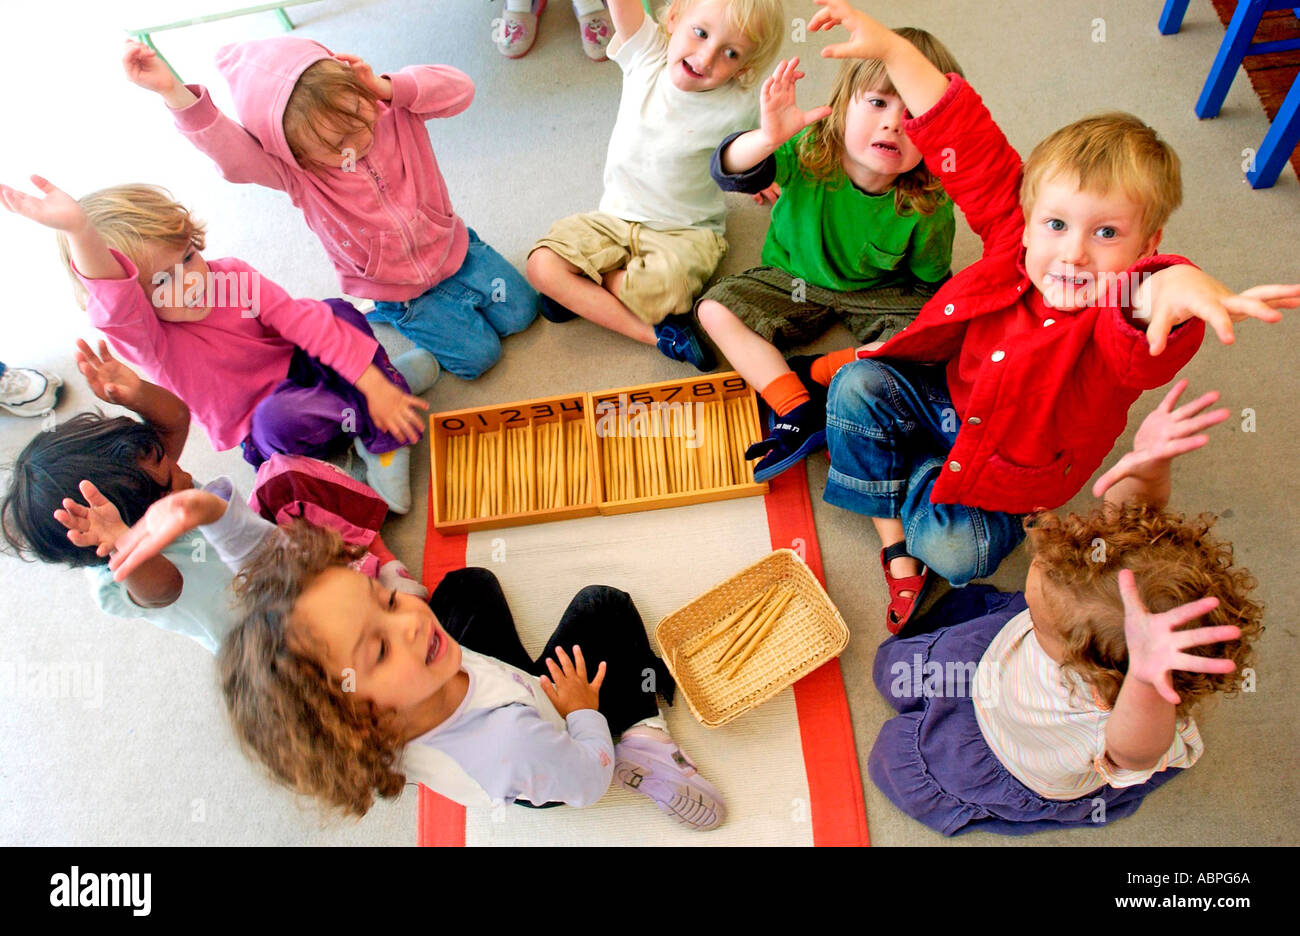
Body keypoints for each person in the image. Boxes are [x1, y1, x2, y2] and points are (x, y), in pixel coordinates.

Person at [803, 0, 1298, 632]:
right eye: (1057, 224)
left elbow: (1146, 315)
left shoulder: (1119, 309)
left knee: (957, 551)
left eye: (1108, 233)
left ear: (1147, 244)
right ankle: (893, 528)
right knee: (857, 385)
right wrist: (898, 55)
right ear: (1028, 218)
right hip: (945, 398)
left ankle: (912, 497)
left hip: (1009, 476)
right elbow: (969, 145)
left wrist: (1175, 286)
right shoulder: (1016, 234)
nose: (1073, 252)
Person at [107, 521, 729, 828]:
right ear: (358, 714)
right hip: (554, 740)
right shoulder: (512, 741)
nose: (408, 619)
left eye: (384, 599)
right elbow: (585, 785)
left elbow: (274, 573)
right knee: (605, 606)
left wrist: (216, 512)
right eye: (377, 649)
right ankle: (644, 743)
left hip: (473, 693)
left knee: (466, 587)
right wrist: (583, 717)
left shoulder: (373, 718)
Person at [868, 380, 1262, 835]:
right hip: (1000, 661)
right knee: (900, 665)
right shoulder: (1099, 595)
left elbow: (1135, 752)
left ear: (1100, 681)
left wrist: (1146, 685)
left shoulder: (1119, 712)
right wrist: (1151, 466)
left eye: (1038, 615)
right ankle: (1009, 639)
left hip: (1013, 748)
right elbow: (1127, 521)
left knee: (894, 761)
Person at [0, 179, 435, 512]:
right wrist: (78, 228)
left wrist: (365, 377)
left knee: (333, 311)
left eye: (188, 257)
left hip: (302, 367)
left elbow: (300, 322)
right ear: (139, 299)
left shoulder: (230, 276)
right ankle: (379, 425)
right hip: (268, 420)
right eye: (163, 280)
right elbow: (115, 299)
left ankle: (375, 386)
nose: (191, 280)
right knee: (280, 417)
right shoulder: (149, 339)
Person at [123, 36, 538, 381]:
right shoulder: (296, 173)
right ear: (293, 152)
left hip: (452, 247)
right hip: (395, 286)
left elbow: (460, 88)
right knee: (478, 359)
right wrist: (173, 93)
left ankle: (450, 293)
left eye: (357, 115)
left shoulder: (393, 109)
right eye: (332, 143)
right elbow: (230, 154)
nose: (353, 142)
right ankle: (392, 313)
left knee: (523, 313)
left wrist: (390, 88)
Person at [700, 32, 960, 480]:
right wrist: (765, 138)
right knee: (714, 309)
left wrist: (933, 329)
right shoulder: (807, 144)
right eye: (878, 103)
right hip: (791, 277)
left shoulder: (931, 201)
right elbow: (730, 170)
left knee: (940, 339)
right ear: (842, 105)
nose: (894, 124)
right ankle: (795, 407)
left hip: (879, 293)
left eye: (914, 115)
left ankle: (818, 370)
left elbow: (930, 280)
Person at [526, 0, 785, 370]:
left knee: (670, 292)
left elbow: (740, 152)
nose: (706, 57)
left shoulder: (739, 103)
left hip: (686, 233)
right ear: (675, 18)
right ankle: (659, 336)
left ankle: (585, 291)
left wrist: (757, 172)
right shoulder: (647, 52)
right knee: (541, 265)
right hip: (613, 219)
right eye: (700, 33)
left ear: (744, 67)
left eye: (730, 53)